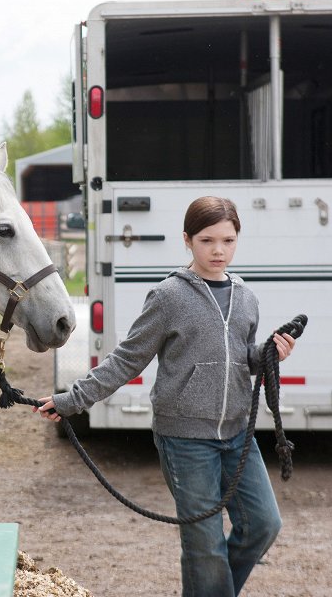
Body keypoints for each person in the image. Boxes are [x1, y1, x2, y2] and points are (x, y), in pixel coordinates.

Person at [35, 196, 296, 597]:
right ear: (187, 240)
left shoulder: (246, 297)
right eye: (208, 240)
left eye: (228, 240)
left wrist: (266, 355)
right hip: (185, 440)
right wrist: (73, 399)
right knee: (205, 548)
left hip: (238, 435)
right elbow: (126, 360)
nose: (218, 250)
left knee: (263, 524)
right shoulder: (168, 296)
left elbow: (237, 359)